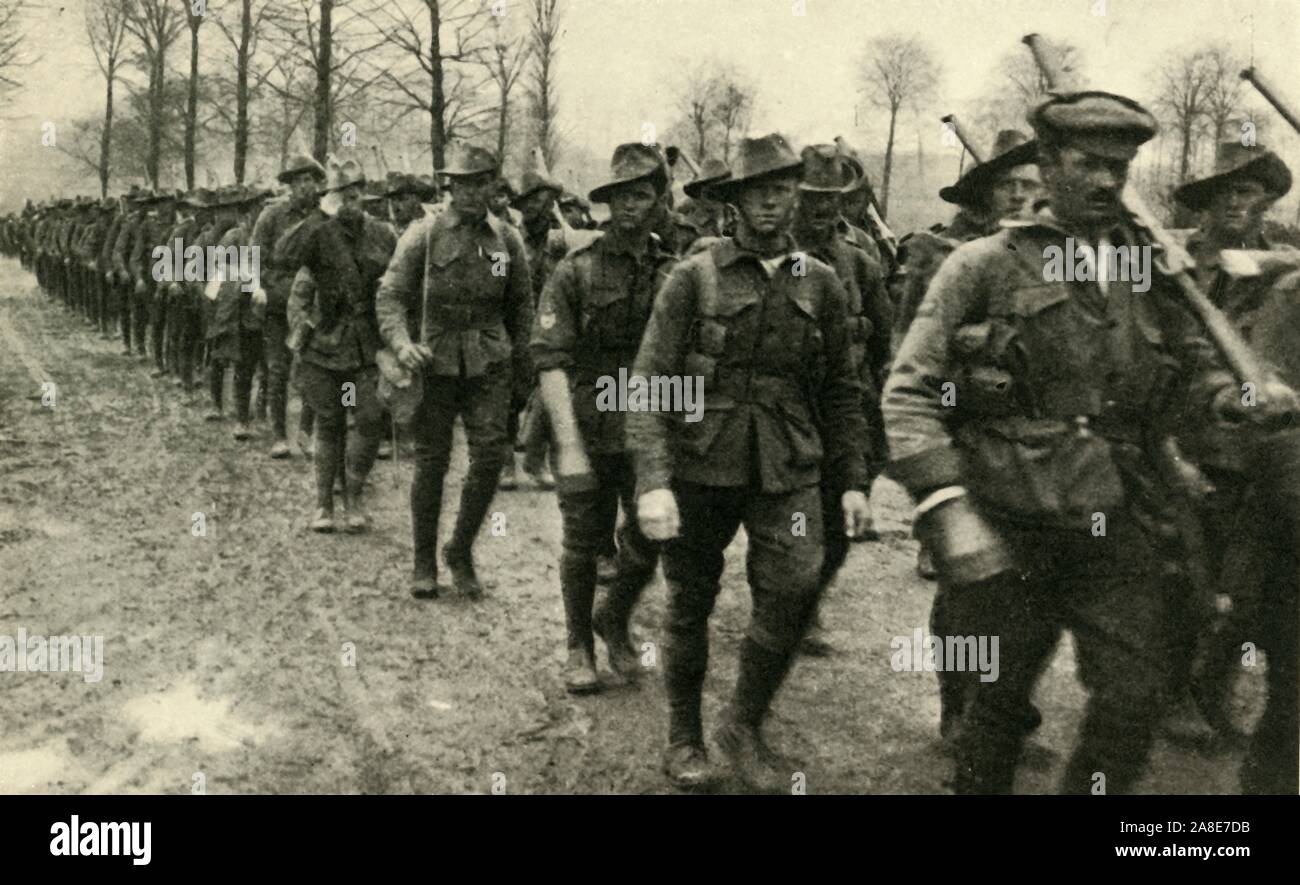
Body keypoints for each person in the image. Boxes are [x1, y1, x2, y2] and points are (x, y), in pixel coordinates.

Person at [881, 91, 1297, 794]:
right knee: (998, 704)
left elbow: (1190, 375)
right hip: (1009, 517)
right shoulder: (983, 264)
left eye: (1121, 166)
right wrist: (949, 505)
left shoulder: (1147, 269)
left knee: (1137, 696)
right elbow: (908, 393)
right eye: (1089, 164)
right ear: (1047, 165)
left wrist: (1235, 397)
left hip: (1117, 514)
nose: (1108, 180)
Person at [628, 134, 872, 791]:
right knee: (690, 602)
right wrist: (653, 481)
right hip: (700, 464)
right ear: (734, 201)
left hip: (787, 465)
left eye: (783, 190)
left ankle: (745, 720)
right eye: (758, 191)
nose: (771, 202)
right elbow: (649, 381)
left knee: (796, 584)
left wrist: (852, 480)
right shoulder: (695, 276)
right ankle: (684, 734)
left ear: (798, 198)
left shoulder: (818, 283)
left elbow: (843, 391)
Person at [1170, 140, 1298, 790]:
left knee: (1238, 575)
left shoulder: (1276, 261)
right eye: (1229, 194)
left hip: (1253, 437)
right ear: (1209, 203)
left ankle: (1206, 679)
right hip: (1181, 422)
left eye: (1252, 194)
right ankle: (1175, 687)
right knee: (1183, 564)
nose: (1241, 205)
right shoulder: (1173, 257)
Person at [533, 143, 676, 694]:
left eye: (641, 195)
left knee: (651, 533)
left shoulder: (676, 273)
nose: (631, 207)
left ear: (659, 201)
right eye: (621, 197)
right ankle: (579, 644)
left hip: (649, 429)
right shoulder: (578, 271)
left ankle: (613, 617)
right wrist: (566, 446)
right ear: (606, 204)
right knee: (583, 539)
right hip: (588, 422)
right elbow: (550, 360)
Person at [375, 144, 533, 598]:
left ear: (492, 186)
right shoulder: (423, 235)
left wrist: (523, 370)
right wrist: (403, 345)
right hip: (435, 361)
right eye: (460, 183)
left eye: (478, 182)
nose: (468, 192)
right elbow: (389, 296)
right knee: (432, 462)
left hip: (489, 363)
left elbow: (521, 306)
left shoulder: (507, 240)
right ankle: (424, 559)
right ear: (450, 187)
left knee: (488, 458)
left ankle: (460, 549)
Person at [281, 159, 398, 533]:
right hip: (325, 346)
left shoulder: (382, 234)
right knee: (330, 423)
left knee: (367, 418)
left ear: (362, 195)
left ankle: (354, 494)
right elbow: (284, 256)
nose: (349, 203)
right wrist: (319, 215)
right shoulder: (317, 233)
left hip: (366, 346)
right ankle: (323, 504)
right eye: (340, 197)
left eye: (354, 195)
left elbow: (400, 283)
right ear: (330, 199)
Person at [251, 154, 327, 459]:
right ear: (289, 186)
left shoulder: (325, 217)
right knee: (278, 369)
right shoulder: (272, 217)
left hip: (312, 304)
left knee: (313, 369)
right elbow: (253, 258)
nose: (304, 187)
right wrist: (256, 288)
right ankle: (279, 436)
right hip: (278, 298)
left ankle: (306, 432)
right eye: (298, 181)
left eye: (309, 180)